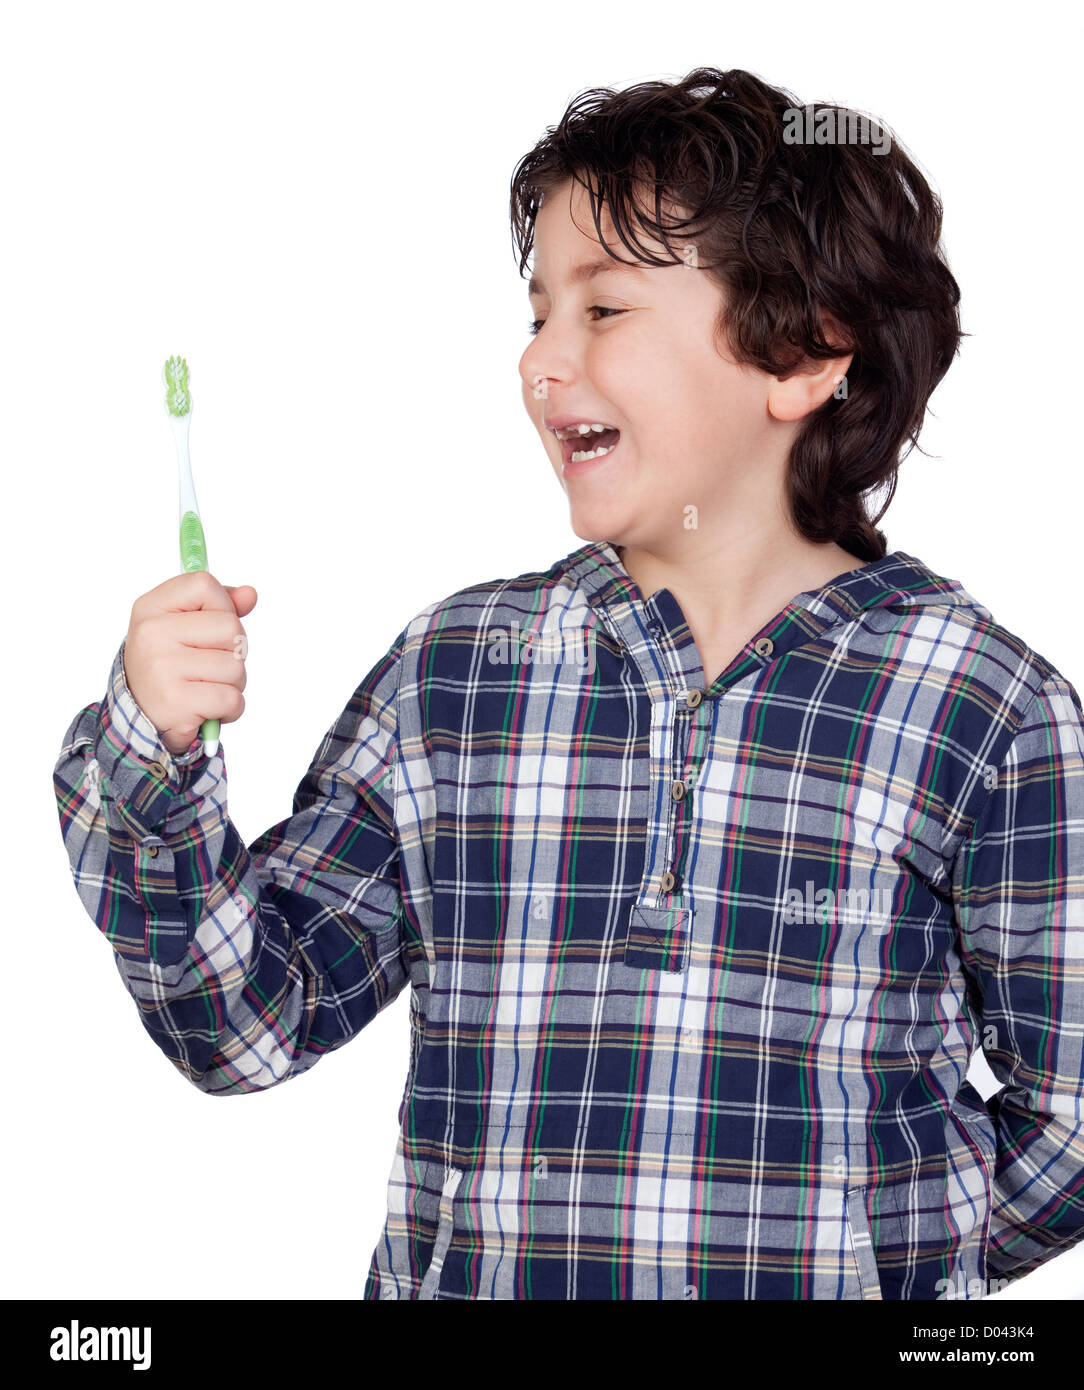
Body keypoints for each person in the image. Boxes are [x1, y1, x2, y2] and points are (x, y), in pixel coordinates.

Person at [53, 66, 1084, 1300]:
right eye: (536, 311)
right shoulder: (455, 678)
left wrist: (873, 1253)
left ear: (806, 352)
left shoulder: (983, 709)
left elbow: (1068, 1121)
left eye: (603, 309)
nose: (542, 361)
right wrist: (151, 756)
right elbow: (243, 1020)